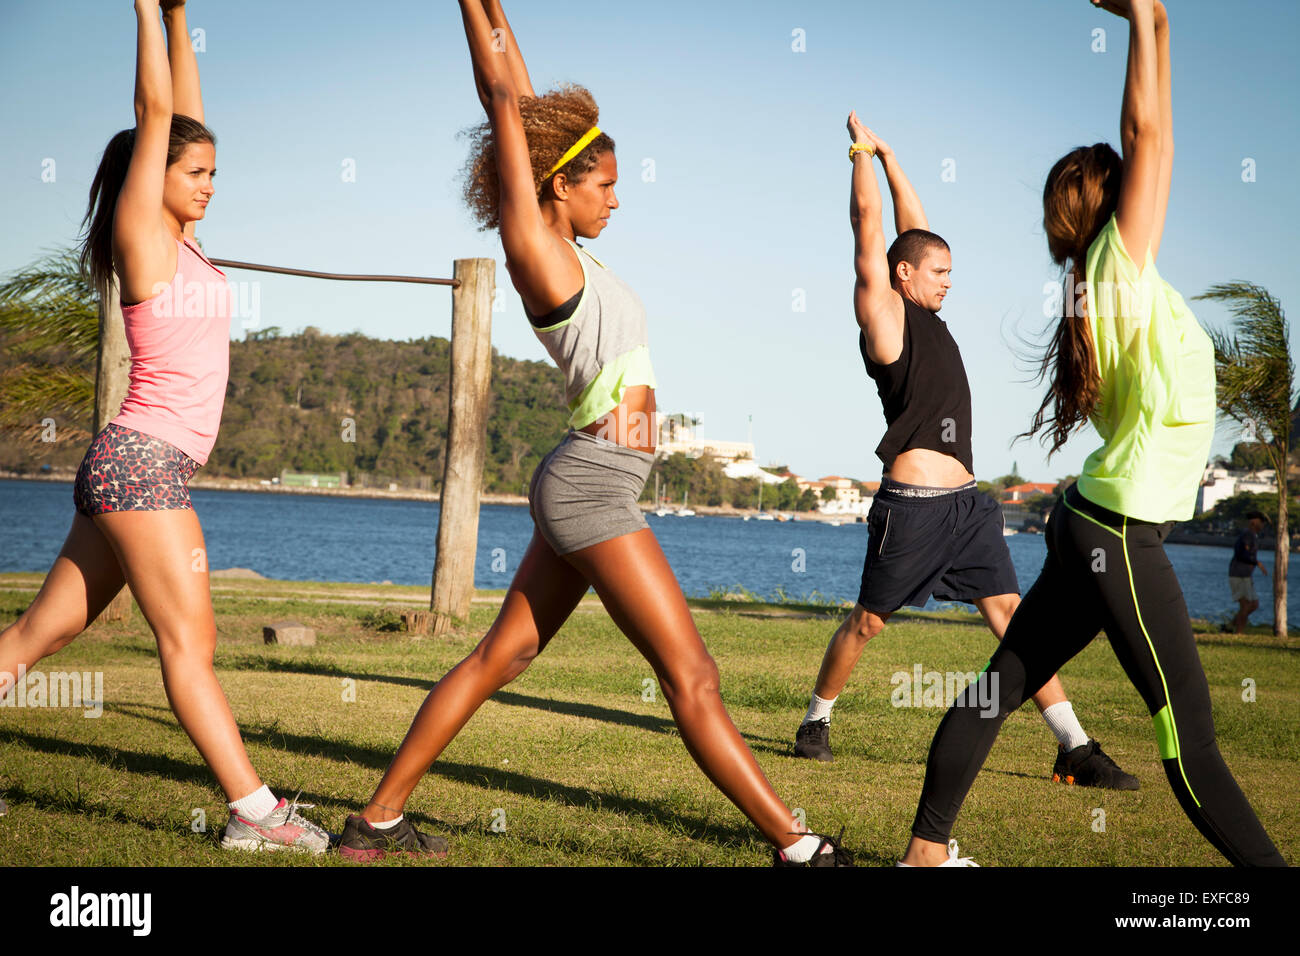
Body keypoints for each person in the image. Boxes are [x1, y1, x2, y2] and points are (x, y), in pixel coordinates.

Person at [336, 0, 849, 867]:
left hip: (595, 476)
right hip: (594, 485)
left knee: (504, 655)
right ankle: (796, 845)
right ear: (557, 186)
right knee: (694, 676)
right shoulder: (535, 247)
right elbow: (505, 104)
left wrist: (498, 10)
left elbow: (524, 106)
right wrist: (473, 11)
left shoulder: (580, 250)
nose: (617, 197)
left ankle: (374, 823)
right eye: (604, 184)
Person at [900, 0, 1287, 867]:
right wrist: (1150, 19)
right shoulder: (1117, 262)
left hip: (1093, 522)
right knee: (1191, 738)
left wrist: (1155, 26)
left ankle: (925, 854)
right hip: (1115, 529)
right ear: (1111, 208)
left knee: (1005, 682)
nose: (1150, 191)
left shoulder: (1096, 283)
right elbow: (1150, 133)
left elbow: (1142, 140)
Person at [0, 0, 327, 853]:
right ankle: (254, 815)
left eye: (215, 172)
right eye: (196, 174)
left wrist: (182, 17)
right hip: (141, 466)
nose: (210, 185)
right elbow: (158, 116)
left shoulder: (183, 240)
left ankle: (251, 814)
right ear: (155, 179)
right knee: (191, 643)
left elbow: (183, 116)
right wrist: (146, 10)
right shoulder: (143, 234)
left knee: (42, 633)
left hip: (133, 468)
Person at [792, 112, 1137, 792]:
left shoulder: (928, 308)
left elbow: (911, 227)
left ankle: (1074, 746)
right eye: (939, 272)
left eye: (950, 270)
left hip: (968, 508)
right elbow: (871, 233)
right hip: (913, 508)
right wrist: (862, 156)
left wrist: (894, 158)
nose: (949, 281)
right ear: (903, 275)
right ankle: (816, 721)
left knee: (1012, 616)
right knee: (866, 623)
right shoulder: (885, 318)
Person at [1228, 511, 1269, 633]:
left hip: (1245, 575)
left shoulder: (1252, 536)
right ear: (1254, 522)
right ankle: (1238, 632)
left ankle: (1230, 625)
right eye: (1261, 523)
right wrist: (1257, 563)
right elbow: (1243, 554)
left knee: (1254, 604)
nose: (1262, 526)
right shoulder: (1247, 535)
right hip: (1239, 574)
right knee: (1246, 604)